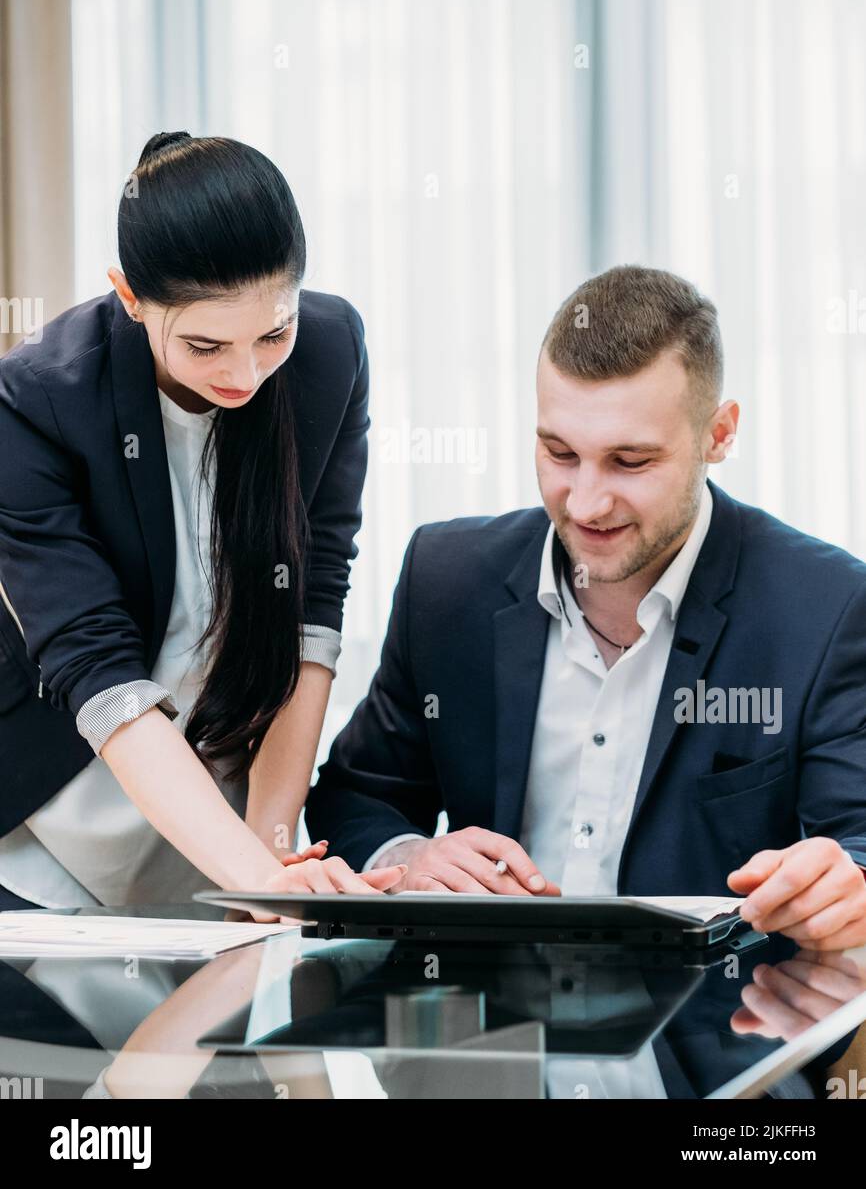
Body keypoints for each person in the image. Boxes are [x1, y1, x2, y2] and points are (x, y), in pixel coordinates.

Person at [306, 265, 866, 950]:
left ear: (719, 435)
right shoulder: (446, 580)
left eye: (630, 462)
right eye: (560, 453)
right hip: (490, 1037)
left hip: (716, 1035)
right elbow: (359, 794)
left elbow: (858, 840)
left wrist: (850, 881)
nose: (587, 502)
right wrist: (406, 855)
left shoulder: (824, 607)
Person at [0, 131, 405, 914]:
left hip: (218, 807)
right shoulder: (36, 400)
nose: (246, 374)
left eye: (272, 333)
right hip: (54, 807)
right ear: (129, 296)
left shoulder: (330, 354)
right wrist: (254, 877)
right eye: (205, 344)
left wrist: (271, 851)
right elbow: (96, 667)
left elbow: (313, 605)